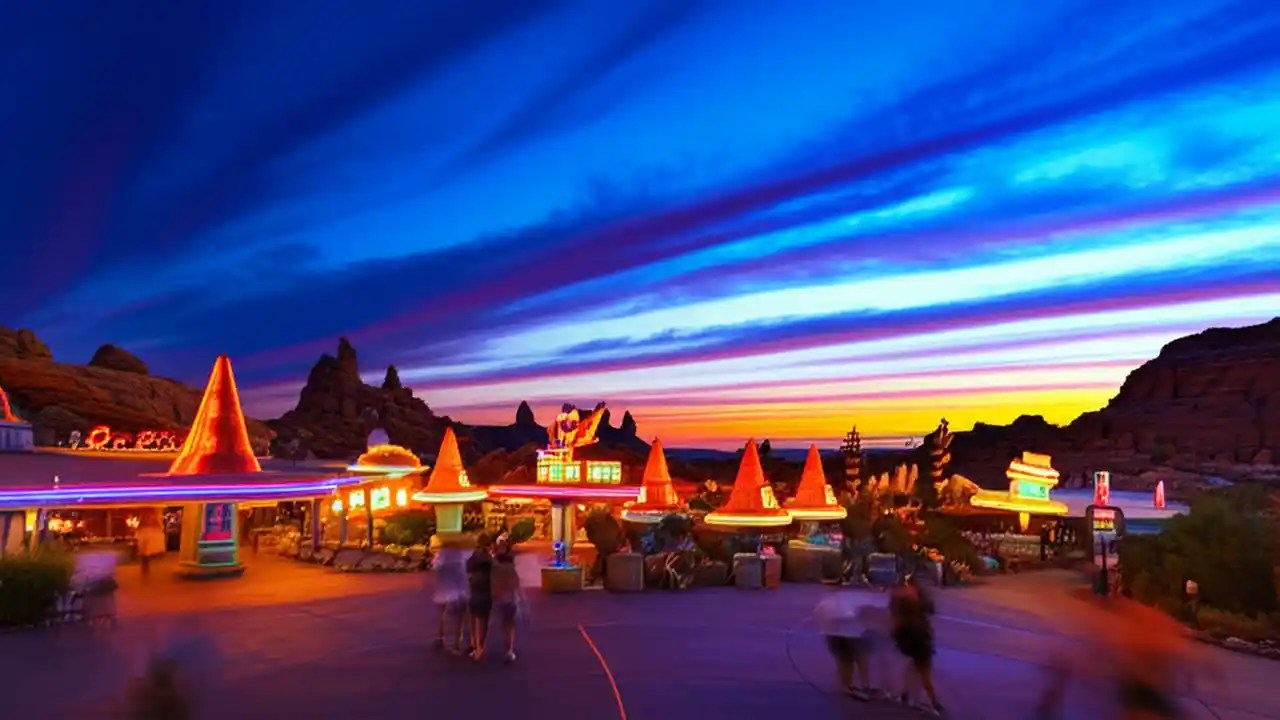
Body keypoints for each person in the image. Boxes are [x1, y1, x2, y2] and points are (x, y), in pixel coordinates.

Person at [816, 591, 892, 700]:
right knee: (856, 658)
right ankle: (859, 685)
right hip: (851, 633)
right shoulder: (862, 597)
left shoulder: (834, 598)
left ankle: (850, 685)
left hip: (844, 632)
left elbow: (823, 613)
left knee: (847, 659)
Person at [890, 575, 943, 715]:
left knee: (916, 665)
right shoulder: (910, 602)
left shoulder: (900, 599)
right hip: (918, 638)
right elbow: (930, 609)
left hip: (911, 637)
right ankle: (932, 701)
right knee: (925, 670)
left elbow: (895, 619)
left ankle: (906, 693)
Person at [431, 536, 470, 655]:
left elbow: (436, 569)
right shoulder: (462, 556)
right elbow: (465, 573)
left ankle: (443, 638)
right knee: (459, 619)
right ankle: (455, 644)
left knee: (445, 616)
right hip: (459, 591)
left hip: (445, 591)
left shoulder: (441, 556)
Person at [491, 533, 525, 663]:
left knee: (504, 624)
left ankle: (505, 646)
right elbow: (516, 584)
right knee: (510, 625)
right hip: (511, 599)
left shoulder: (495, 568)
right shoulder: (510, 568)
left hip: (501, 599)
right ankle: (509, 650)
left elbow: (493, 584)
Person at [465, 533, 495, 661]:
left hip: (475, 588)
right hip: (485, 588)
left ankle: (475, 644)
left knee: (476, 618)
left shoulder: (473, 556)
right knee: (482, 619)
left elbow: (467, 569)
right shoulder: (487, 557)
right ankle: (479, 646)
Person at [135, 511, 166, 578]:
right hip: (145, 545)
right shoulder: (147, 524)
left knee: (145, 556)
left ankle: (145, 569)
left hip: (147, 545)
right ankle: (145, 569)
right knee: (144, 556)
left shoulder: (149, 524)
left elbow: (138, 533)